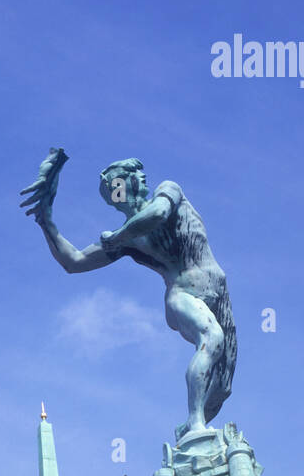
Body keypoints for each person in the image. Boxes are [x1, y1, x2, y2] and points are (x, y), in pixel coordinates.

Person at [21, 150, 237, 435]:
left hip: (218, 294)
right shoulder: (127, 240)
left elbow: (158, 213)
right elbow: (73, 262)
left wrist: (118, 237)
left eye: (119, 183)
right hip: (182, 294)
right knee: (211, 338)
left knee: (221, 389)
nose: (117, 191)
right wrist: (45, 219)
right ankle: (195, 424)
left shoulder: (168, 191)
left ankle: (192, 426)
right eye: (113, 189)